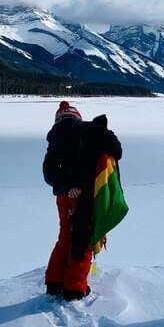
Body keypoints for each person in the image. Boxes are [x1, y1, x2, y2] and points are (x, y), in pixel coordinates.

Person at [42, 101, 123, 301]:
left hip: (63, 197)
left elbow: (49, 173)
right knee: (83, 239)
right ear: (77, 116)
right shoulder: (88, 130)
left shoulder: (55, 140)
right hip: (83, 197)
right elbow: (117, 150)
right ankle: (74, 289)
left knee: (65, 237)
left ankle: (54, 283)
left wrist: (66, 188)